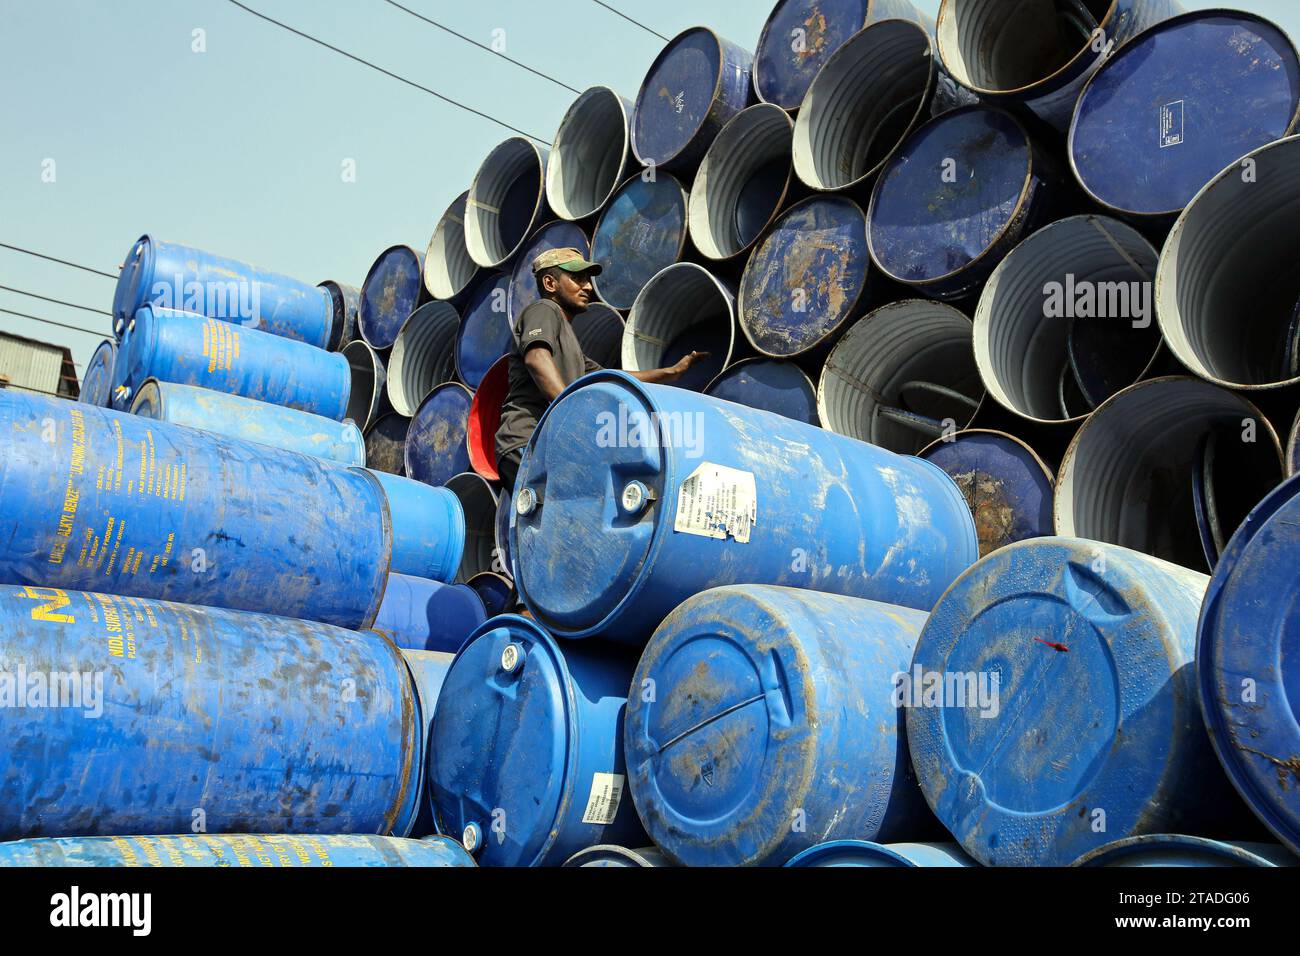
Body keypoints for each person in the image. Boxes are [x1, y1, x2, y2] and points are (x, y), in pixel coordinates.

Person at [494, 247, 709, 491]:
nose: (588, 286)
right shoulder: (543, 309)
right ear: (550, 283)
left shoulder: (571, 347)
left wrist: (671, 372)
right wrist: (570, 411)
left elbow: (611, 378)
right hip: (527, 439)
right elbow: (536, 358)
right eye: (577, 278)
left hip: (547, 443)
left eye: (588, 280)